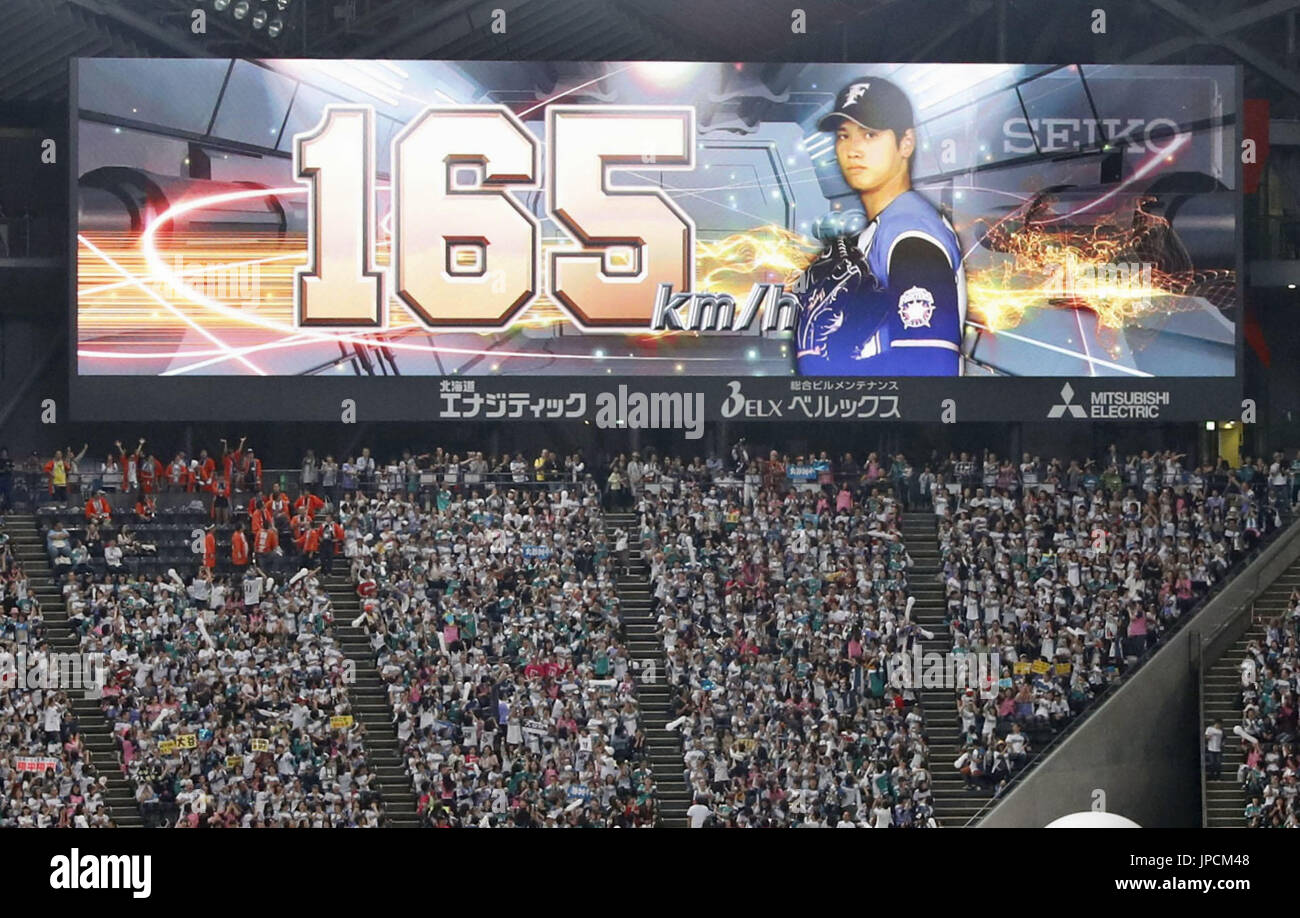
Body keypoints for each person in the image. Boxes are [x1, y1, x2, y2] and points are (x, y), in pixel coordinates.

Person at [793, 76, 965, 376]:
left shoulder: (911, 237)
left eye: (870, 134)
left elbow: (929, 372)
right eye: (844, 135)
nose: (853, 150)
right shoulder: (884, 227)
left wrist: (820, 362)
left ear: (906, 143)